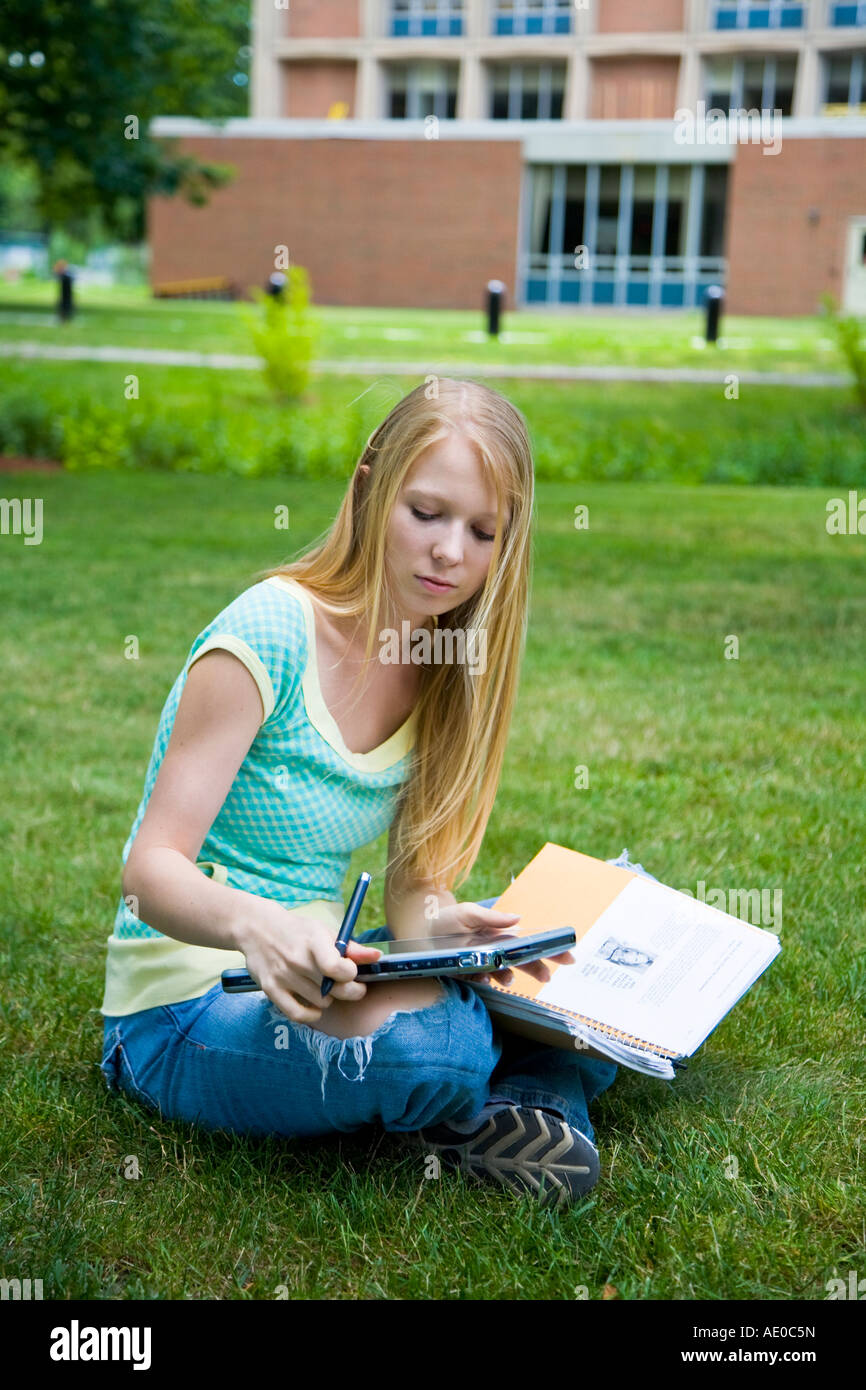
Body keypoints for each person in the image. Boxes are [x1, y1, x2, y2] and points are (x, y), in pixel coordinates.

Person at [99, 377, 658, 1210]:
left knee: (608, 927)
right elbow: (150, 868)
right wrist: (260, 926)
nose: (449, 553)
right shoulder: (269, 631)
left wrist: (442, 924)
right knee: (440, 1047)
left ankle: (505, 1095)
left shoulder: (442, 665)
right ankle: (534, 1095)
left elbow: (408, 896)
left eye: (482, 531)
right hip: (186, 1005)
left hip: (330, 969)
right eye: (425, 513)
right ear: (369, 488)